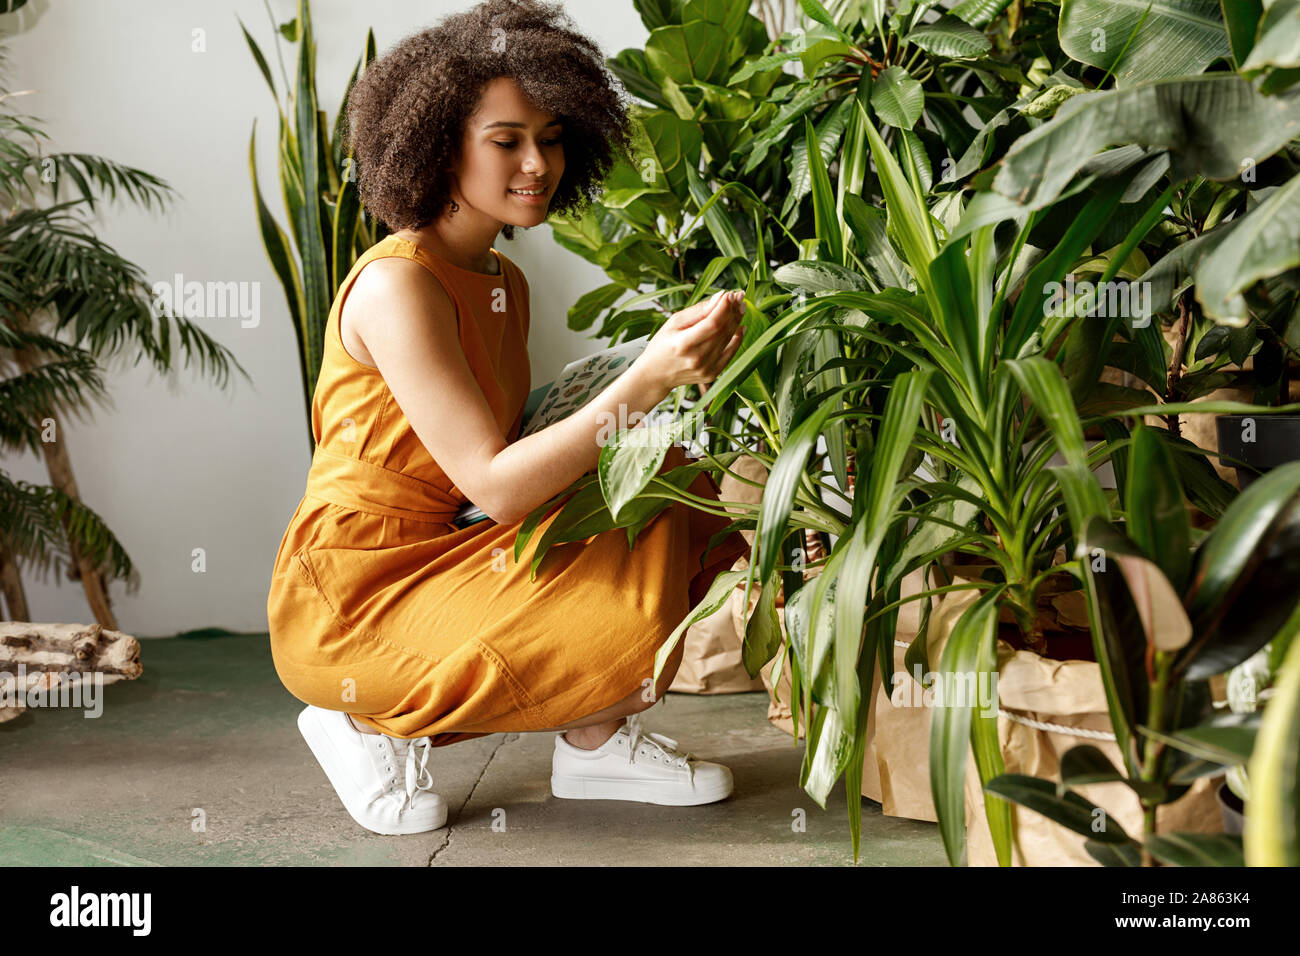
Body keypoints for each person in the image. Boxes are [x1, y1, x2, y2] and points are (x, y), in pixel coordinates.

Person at [266, 0, 749, 837]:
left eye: (554, 137)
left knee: (675, 487)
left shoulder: (502, 281)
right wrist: (644, 378)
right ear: (436, 143)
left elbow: (498, 462)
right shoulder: (398, 285)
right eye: (507, 141)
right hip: (359, 591)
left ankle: (594, 742)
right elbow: (497, 487)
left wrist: (646, 393)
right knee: (626, 542)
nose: (540, 162)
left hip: (458, 544)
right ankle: (357, 717)